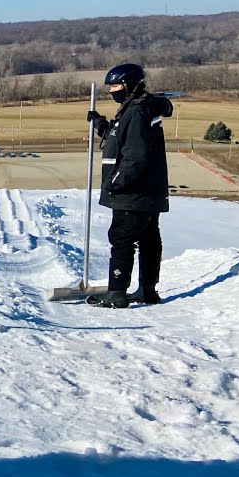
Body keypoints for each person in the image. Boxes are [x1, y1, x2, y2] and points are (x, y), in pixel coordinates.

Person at [85, 63, 173, 309]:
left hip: (132, 192)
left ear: (130, 85)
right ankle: (146, 291)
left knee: (122, 239)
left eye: (115, 85)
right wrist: (102, 125)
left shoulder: (136, 111)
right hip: (146, 191)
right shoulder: (136, 109)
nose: (112, 91)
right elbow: (122, 140)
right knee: (148, 239)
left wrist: (116, 183)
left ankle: (116, 294)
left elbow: (136, 156)